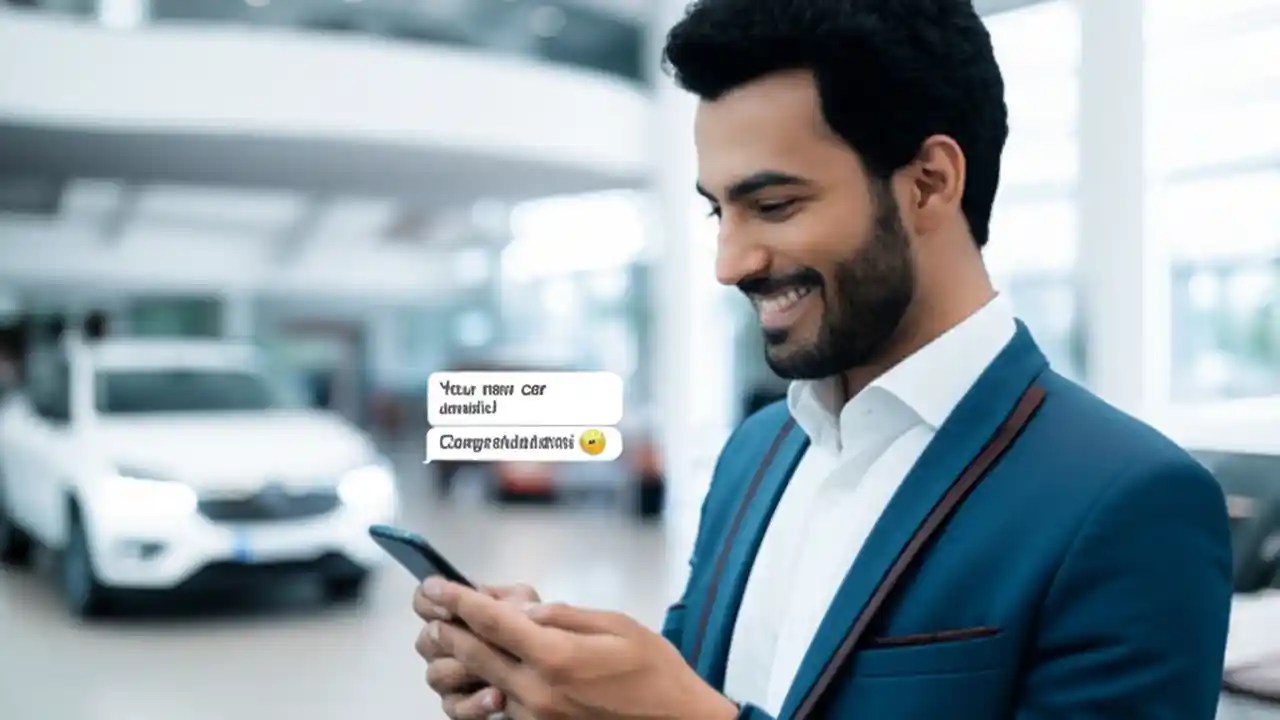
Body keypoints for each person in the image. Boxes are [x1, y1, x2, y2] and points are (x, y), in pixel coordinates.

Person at [411, 0, 1234, 718]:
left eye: (772, 205)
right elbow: (696, 687)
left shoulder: (1132, 502)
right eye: (718, 212)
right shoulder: (754, 454)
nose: (731, 262)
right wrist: (556, 683)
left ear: (929, 183)